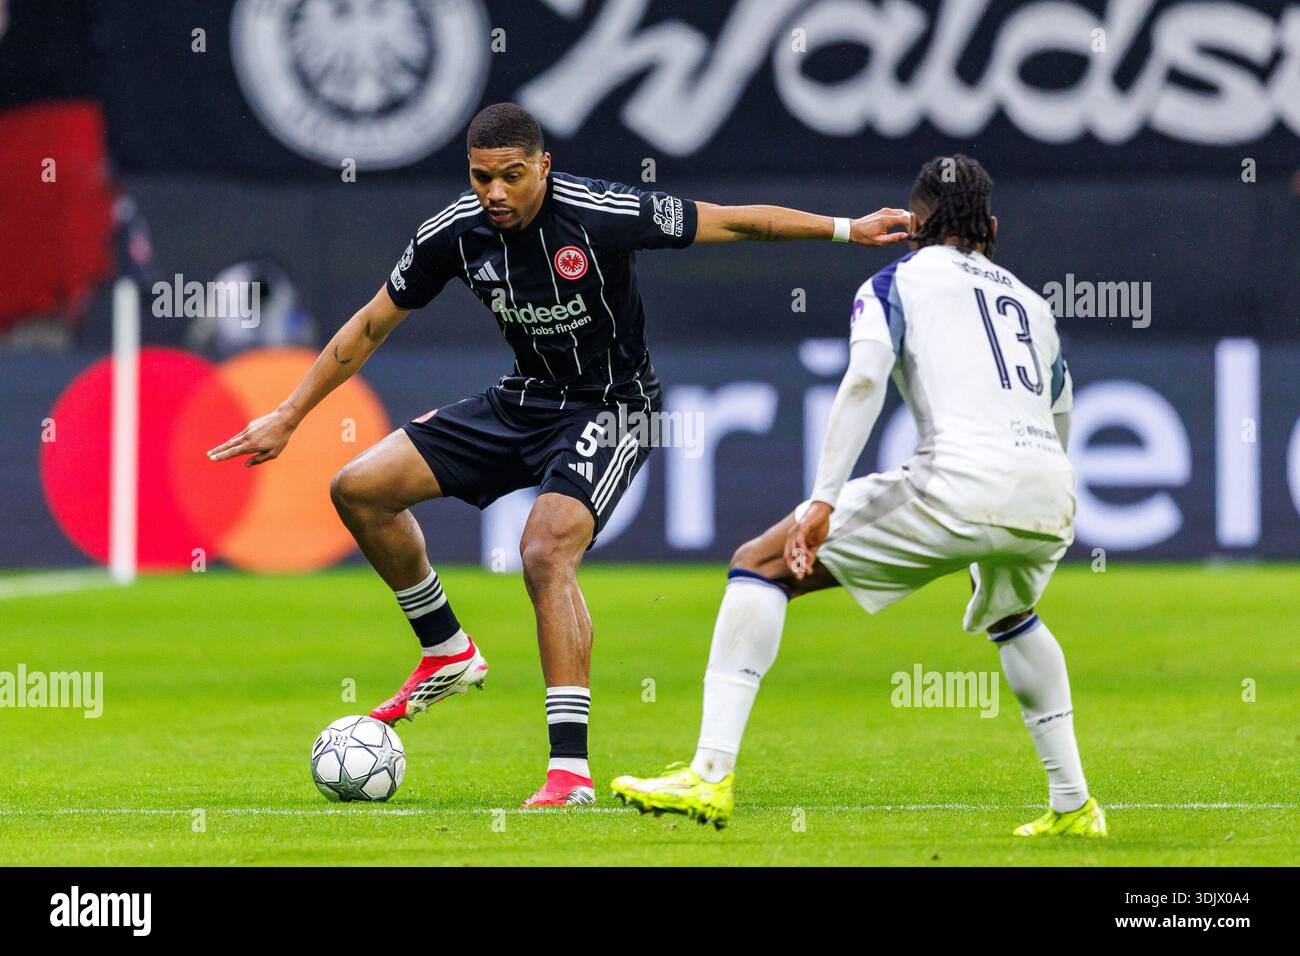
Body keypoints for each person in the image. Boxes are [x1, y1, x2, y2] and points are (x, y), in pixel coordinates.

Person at [207, 102, 911, 807]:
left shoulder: (601, 213)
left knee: (543, 551)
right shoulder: (451, 235)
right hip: (524, 402)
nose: (496, 193)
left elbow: (731, 219)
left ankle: (569, 775)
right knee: (359, 487)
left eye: (513, 176)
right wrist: (290, 415)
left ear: (543, 166)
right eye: (483, 177)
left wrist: (847, 230)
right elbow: (369, 325)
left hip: (615, 405)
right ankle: (447, 650)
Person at [612, 155, 1106, 837]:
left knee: (759, 565)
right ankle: (1075, 804)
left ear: (914, 224)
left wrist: (821, 500)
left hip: (957, 483)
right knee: (1013, 613)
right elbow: (1060, 414)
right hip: (1049, 489)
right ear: (992, 226)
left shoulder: (894, 282)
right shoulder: (1032, 303)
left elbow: (864, 384)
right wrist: (1037, 499)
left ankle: (709, 773)